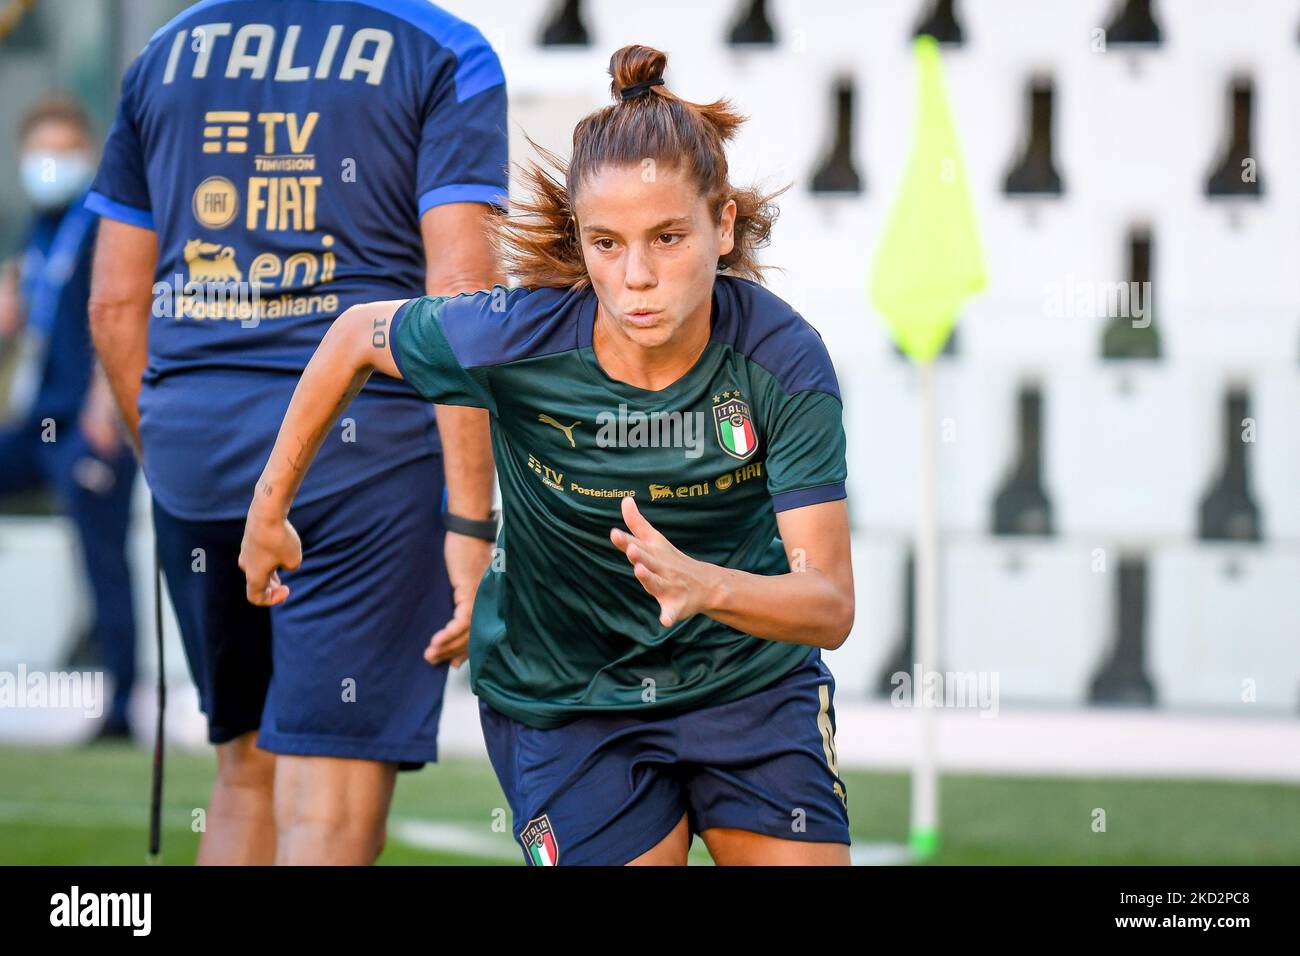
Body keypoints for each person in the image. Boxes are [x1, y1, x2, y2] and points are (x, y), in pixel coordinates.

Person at [240, 44, 855, 866]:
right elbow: (354, 336)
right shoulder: (515, 337)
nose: (636, 276)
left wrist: (705, 587)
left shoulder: (784, 360)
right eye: (606, 243)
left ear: (724, 225)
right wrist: (267, 509)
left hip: (750, 686)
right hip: (566, 699)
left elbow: (828, 605)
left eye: (669, 237)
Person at [86, 1, 506, 864]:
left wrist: (168, 457)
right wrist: (472, 521)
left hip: (195, 455)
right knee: (325, 802)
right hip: (364, 467)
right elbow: (460, 297)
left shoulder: (166, 51)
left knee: (244, 774)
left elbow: (112, 306)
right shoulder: (442, 48)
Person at [0, 95, 138, 741]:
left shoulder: (100, 218)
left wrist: (105, 408)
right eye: (39, 150)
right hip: (35, 420)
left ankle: (120, 704)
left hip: (86, 419)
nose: (48, 163)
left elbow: (119, 310)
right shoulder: (40, 223)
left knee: (102, 558)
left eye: (61, 151)